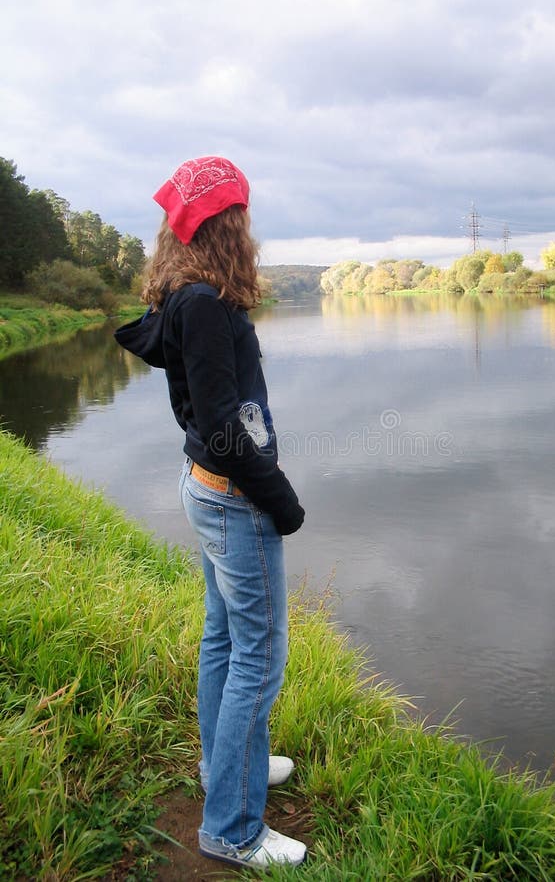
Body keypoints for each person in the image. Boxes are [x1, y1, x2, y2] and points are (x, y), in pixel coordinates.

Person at [114, 156, 306, 868]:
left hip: (209, 488)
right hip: (232, 497)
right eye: (243, 217)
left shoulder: (189, 298)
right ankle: (232, 828)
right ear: (227, 223)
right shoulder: (201, 306)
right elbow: (226, 427)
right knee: (258, 657)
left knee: (224, 639)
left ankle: (225, 768)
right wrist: (281, 502)